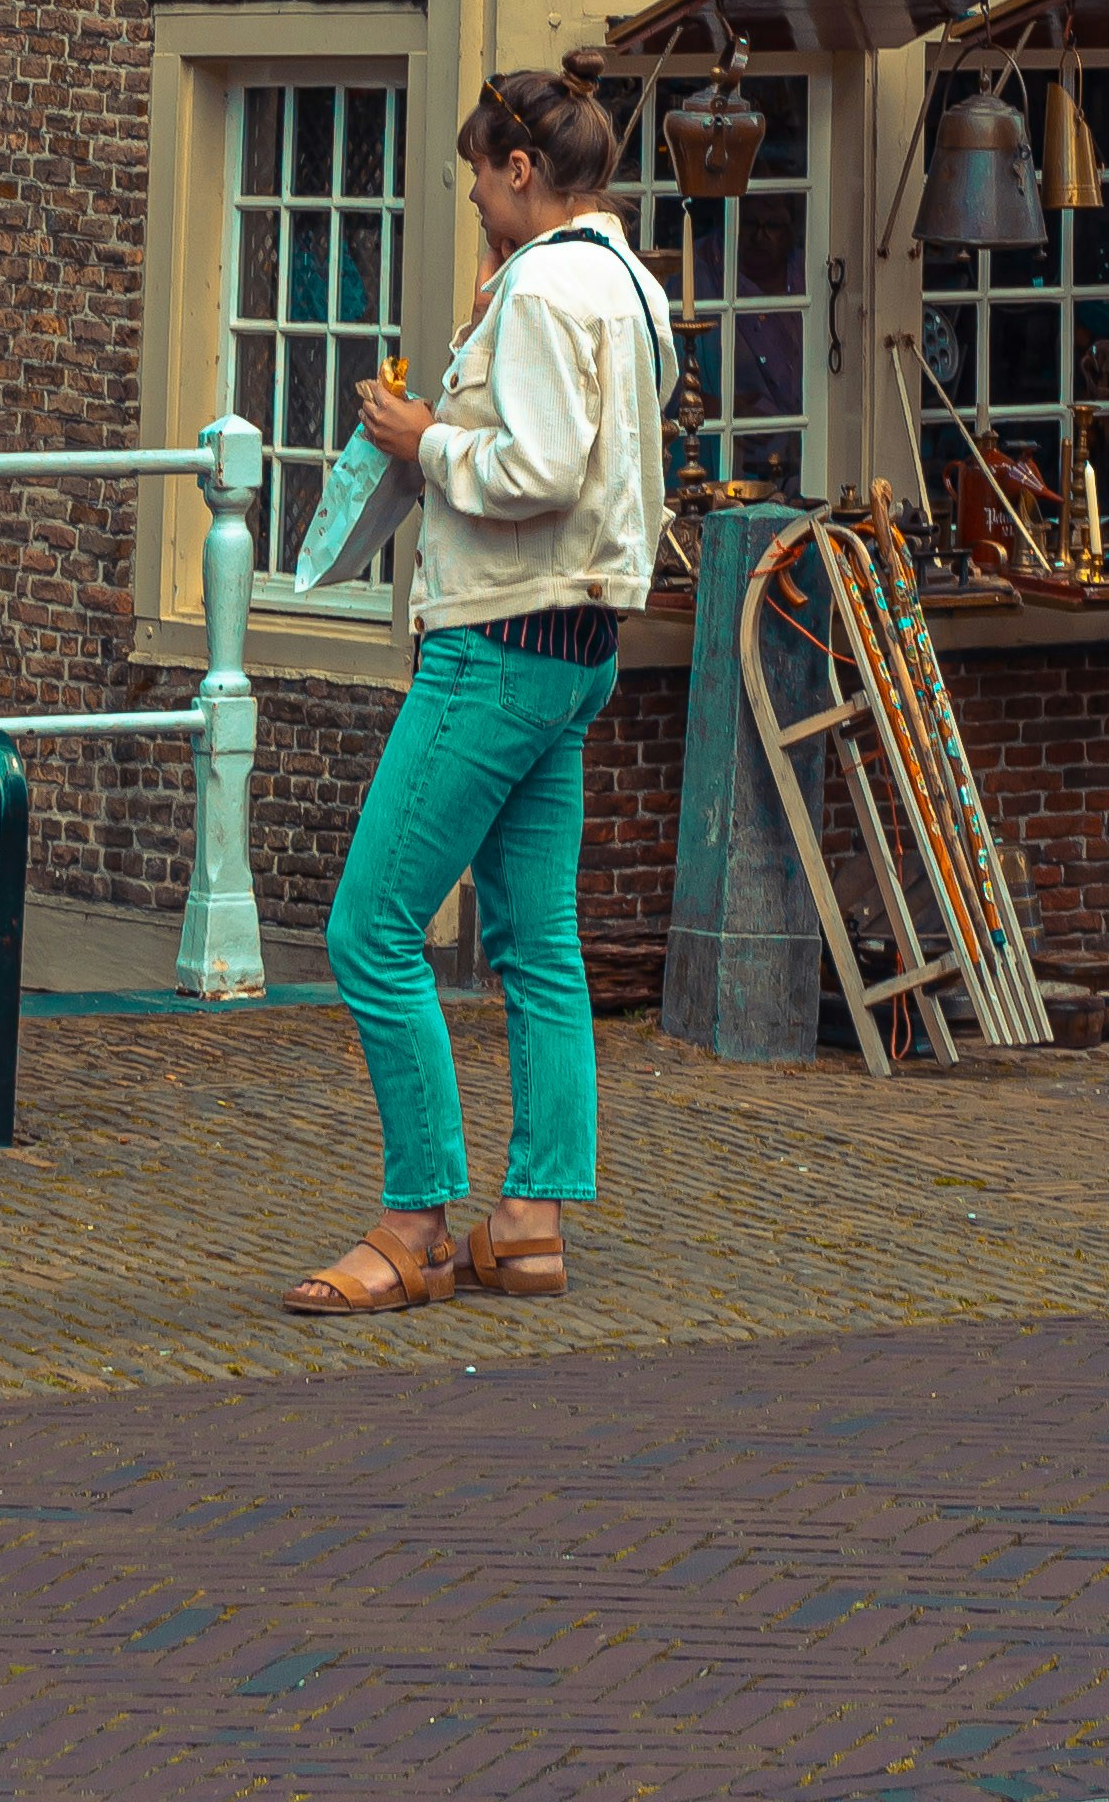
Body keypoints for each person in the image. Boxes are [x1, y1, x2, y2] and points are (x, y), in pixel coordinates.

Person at [289, 70, 677, 1316]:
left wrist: (421, 438)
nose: (468, 191)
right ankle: (532, 1223)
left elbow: (539, 470)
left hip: (499, 645)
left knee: (372, 928)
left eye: (477, 170)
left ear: (521, 170)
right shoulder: (629, 284)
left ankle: (416, 1223)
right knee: (539, 946)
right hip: (578, 649)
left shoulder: (545, 289)